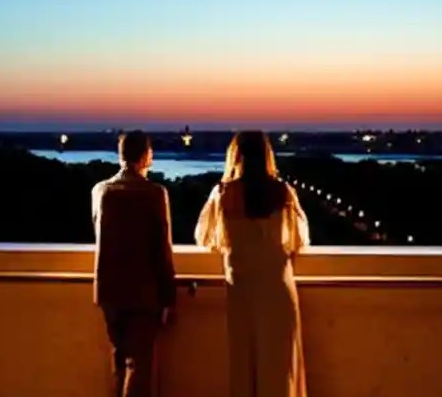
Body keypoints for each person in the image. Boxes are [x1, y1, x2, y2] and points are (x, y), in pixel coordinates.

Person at [195, 130, 310, 397]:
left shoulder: (224, 194)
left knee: (244, 368)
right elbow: (296, 240)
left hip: (242, 290)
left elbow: (206, 237)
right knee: (279, 368)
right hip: (277, 287)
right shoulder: (282, 192)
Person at [92, 130, 177, 397]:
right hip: (143, 292)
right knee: (139, 365)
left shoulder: (100, 191)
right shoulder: (154, 194)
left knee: (119, 362)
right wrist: (168, 296)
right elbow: (161, 249)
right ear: (146, 156)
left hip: (109, 292)